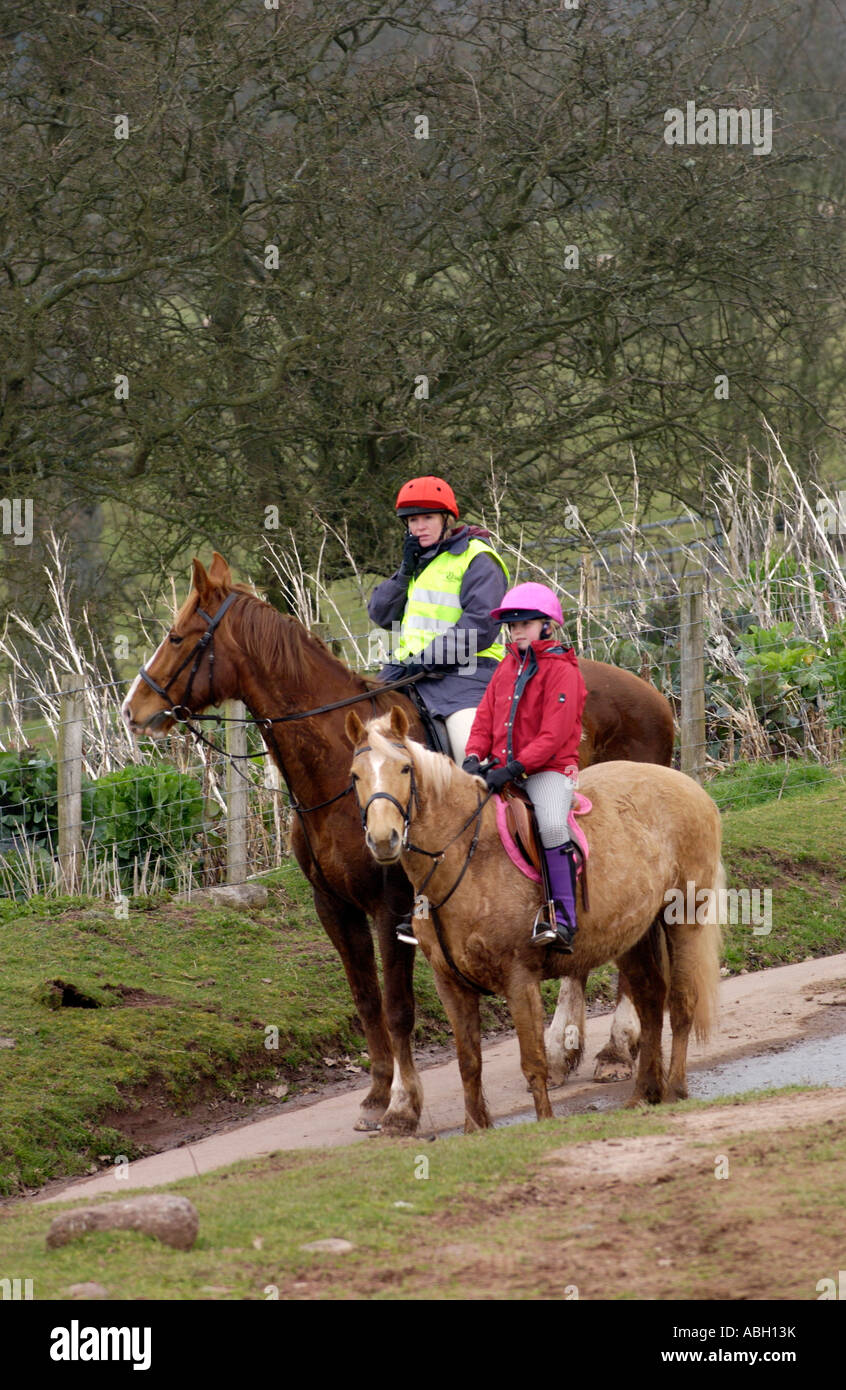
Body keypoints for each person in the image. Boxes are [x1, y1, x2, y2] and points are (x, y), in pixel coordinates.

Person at [461, 583, 588, 953]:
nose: (516, 631)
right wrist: (472, 756)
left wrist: (512, 768)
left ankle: (564, 919)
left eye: (525, 623)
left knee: (550, 824)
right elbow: (484, 718)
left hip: (548, 771)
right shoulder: (505, 667)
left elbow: (554, 735)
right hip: (504, 769)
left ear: (547, 626)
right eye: (512, 625)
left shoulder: (563, 671)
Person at [368, 475, 510, 768]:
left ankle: (499, 809)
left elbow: (479, 628)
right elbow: (380, 614)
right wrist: (406, 570)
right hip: (408, 674)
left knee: (470, 754)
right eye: (412, 521)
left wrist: (426, 659)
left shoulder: (479, 559)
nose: (419, 527)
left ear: (446, 519)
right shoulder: (419, 562)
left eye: (427, 518)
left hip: (465, 676)